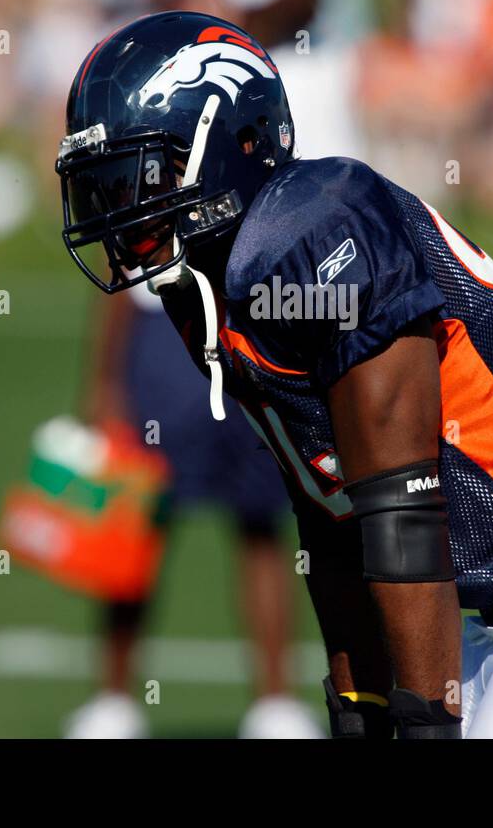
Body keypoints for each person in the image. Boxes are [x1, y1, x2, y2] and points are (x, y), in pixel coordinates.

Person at [53, 11, 493, 739]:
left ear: (222, 150)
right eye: (101, 189)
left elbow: (404, 511)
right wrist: (356, 705)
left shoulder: (318, 233)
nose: (116, 214)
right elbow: (330, 518)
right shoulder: (208, 287)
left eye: (133, 179)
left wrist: (427, 720)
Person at [61, 282, 322, 739]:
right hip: (164, 335)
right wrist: (103, 381)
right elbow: (120, 257)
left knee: (262, 528)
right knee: (137, 527)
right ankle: (113, 700)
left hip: (250, 328)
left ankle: (276, 705)